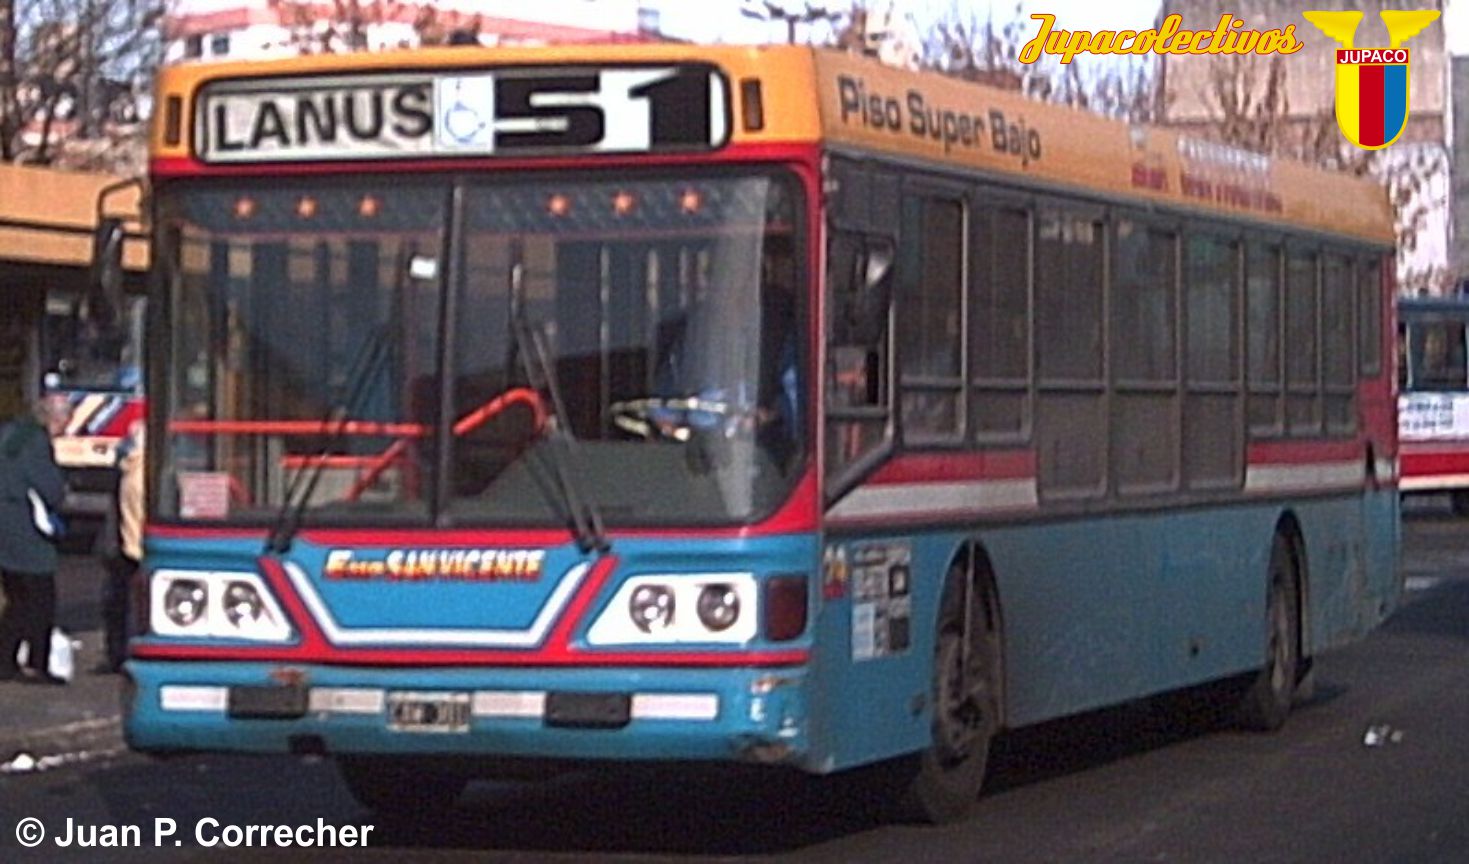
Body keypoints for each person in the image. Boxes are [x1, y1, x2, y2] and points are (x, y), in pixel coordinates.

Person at [0, 397, 68, 684]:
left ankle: (5, 661)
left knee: (17, 600)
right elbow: (50, 488)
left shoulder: (10, 432)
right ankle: (37, 664)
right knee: (41, 600)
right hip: (27, 531)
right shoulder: (36, 442)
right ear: (55, 418)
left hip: (5, 530)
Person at [97, 421, 143, 674]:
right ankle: (124, 652)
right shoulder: (143, 473)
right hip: (135, 547)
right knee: (130, 605)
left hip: (120, 545)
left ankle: (116, 653)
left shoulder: (127, 470)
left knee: (117, 604)